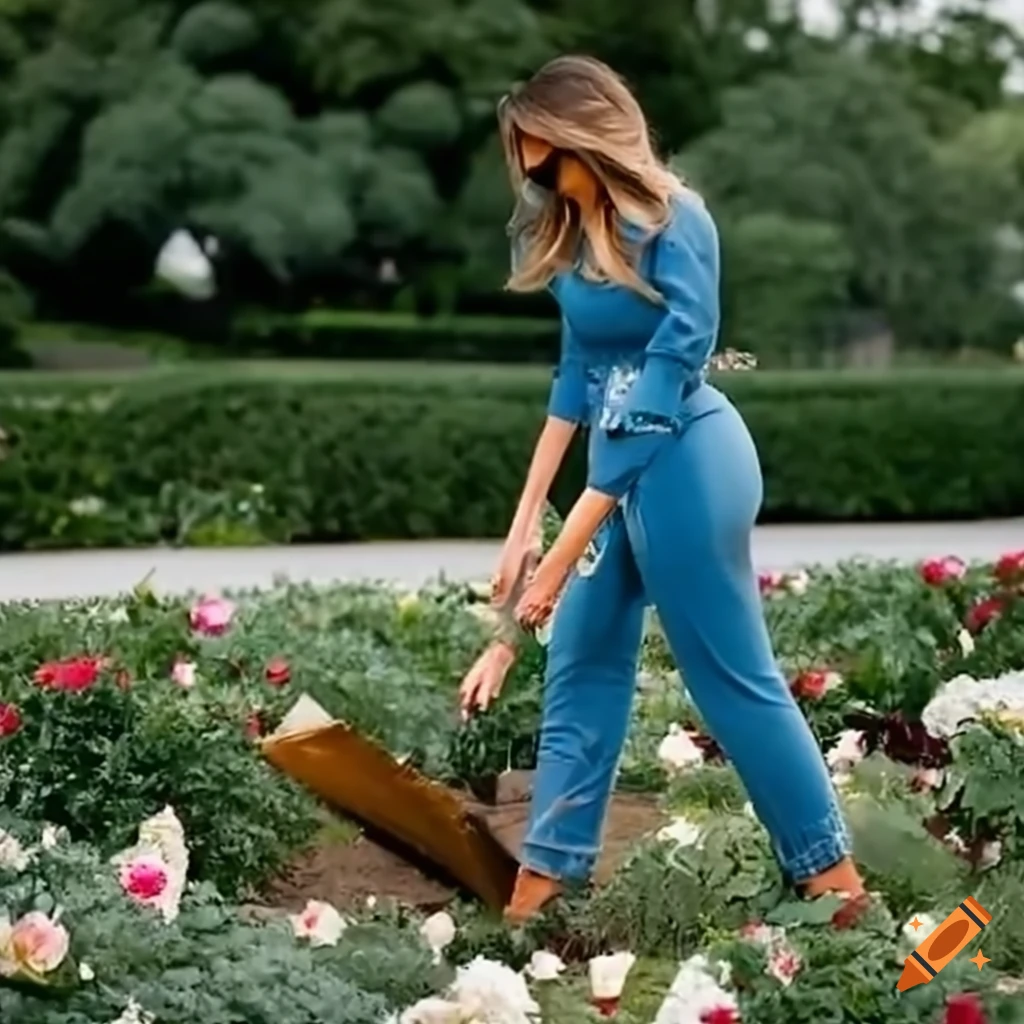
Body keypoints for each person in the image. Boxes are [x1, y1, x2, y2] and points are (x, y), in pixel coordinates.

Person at [460, 54, 866, 926]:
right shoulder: (569, 234)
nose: (534, 175)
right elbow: (577, 382)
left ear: (590, 136)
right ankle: (543, 893)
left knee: (730, 678)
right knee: (581, 666)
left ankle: (833, 887)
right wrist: (526, 525)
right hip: (613, 476)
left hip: (687, 462)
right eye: (524, 159)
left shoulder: (679, 223)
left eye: (547, 155)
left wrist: (563, 555)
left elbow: (654, 400)